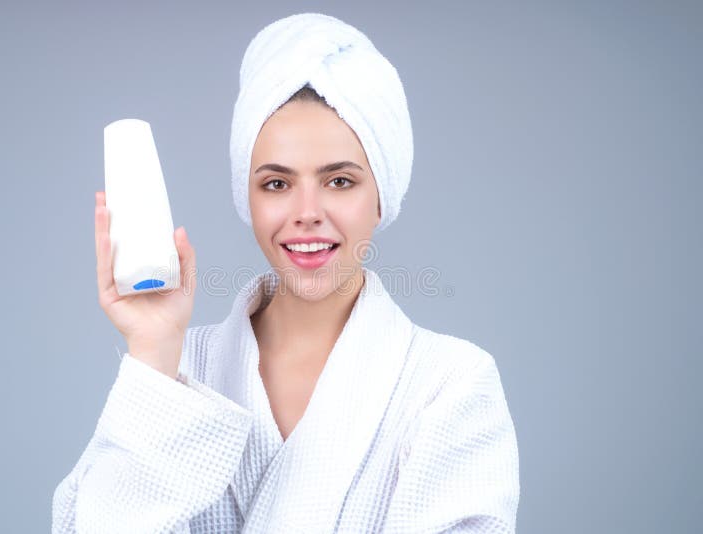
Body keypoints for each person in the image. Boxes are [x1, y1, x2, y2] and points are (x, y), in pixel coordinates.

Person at [52, 13, 520, 534]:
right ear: (247, 197)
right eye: (276, 184)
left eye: (339, 181)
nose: (306, 212)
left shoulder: (448, 385)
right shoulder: (177, 375)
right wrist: (153, 351)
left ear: (381, 196)